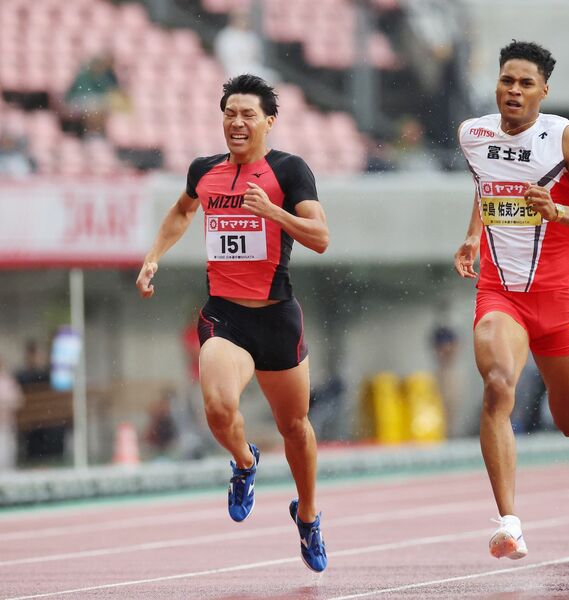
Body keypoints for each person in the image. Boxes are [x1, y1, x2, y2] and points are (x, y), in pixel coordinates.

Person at [135, 74, 328, 573]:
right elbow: (181, 212)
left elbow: (320, 237)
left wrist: (273, 212)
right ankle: (244, 461)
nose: (237, 123)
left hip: (277, 318)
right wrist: (154, 256)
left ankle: (308, 515)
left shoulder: (289, 170)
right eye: (229, 114)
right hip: (226, 316)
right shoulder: (205, 171)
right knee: (219, 409)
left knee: (294, 427)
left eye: (247, 114)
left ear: (269, 121)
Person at [453, 41, 569, 560]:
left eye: (526, 83)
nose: (514, 90)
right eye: (507, 80)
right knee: (498, 385)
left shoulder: (564, 137)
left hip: (558, 298)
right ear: (496, 85)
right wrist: (474, 234)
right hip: (500, 293)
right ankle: (509, 523)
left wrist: (559, 212)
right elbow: (487, 184)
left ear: (544, 91)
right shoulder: (473, 134)